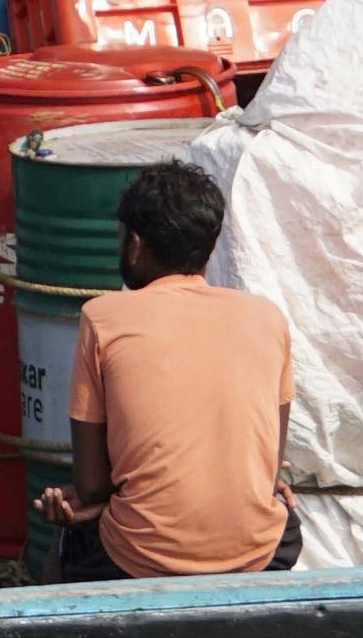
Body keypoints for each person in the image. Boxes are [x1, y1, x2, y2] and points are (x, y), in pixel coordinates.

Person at [50, 157, 296, 579]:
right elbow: (271, 469)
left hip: (139, 555)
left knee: (63, 550)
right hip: (261, 550)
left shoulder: (103, 317)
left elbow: (91, 485)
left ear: (136, 245)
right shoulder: (267, 316)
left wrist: (92, 500)